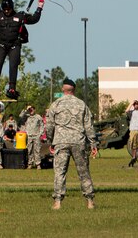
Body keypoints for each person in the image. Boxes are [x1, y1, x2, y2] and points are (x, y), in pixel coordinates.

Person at [46, 77, 97, 210]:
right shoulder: (81, 104)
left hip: (61, 141)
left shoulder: (56, 104)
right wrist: (93, 143)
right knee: (83, 171)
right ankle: (90, 201)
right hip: (78, 141)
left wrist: (51, 141)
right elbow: (89, 126)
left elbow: (50, 125)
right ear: (74, 90)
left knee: (60, 172)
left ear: (63, 89)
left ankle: (58, 201)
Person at [0, 0, 44, 99]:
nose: (7, 11)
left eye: (8, 9)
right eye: (5, 9)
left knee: (13, 65)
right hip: (1, 45)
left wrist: (39, 7)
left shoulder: (20, 16)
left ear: (12, 8)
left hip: (14, 46)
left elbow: (34, 19)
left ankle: (12, 88)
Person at [20, 105, 44, 169]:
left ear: (35, 110)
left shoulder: (38, 117)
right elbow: (20, 116)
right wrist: (26, 110)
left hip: (36, 136)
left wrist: (40, 134)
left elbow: (42, 125)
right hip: (29, 136)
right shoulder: (27, 117)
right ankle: (30, 163)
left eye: (32, 109)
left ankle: (38, 164)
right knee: (29, 150)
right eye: (30, 109)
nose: (31, 110)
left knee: (37, 150)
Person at [125, 100, 138, 167]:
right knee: (133, 144)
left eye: (136, 104)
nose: (135, 105)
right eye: (134, 104)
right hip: (133, 129)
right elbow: (126, 111)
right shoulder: (131, 112)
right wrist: (131, 103)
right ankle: (134, 157)